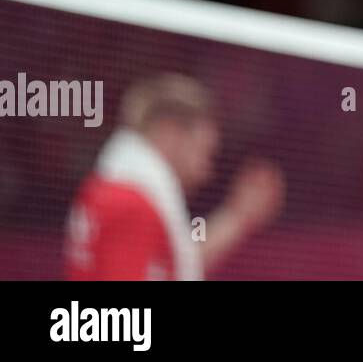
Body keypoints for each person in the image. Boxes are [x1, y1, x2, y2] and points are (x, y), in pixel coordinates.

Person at [65, 73, 284, 280]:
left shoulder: (118, 187)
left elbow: (174, 263)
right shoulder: (132, 204)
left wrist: (237, 216)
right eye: (204, 152)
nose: (208, 172)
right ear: (169, 132)